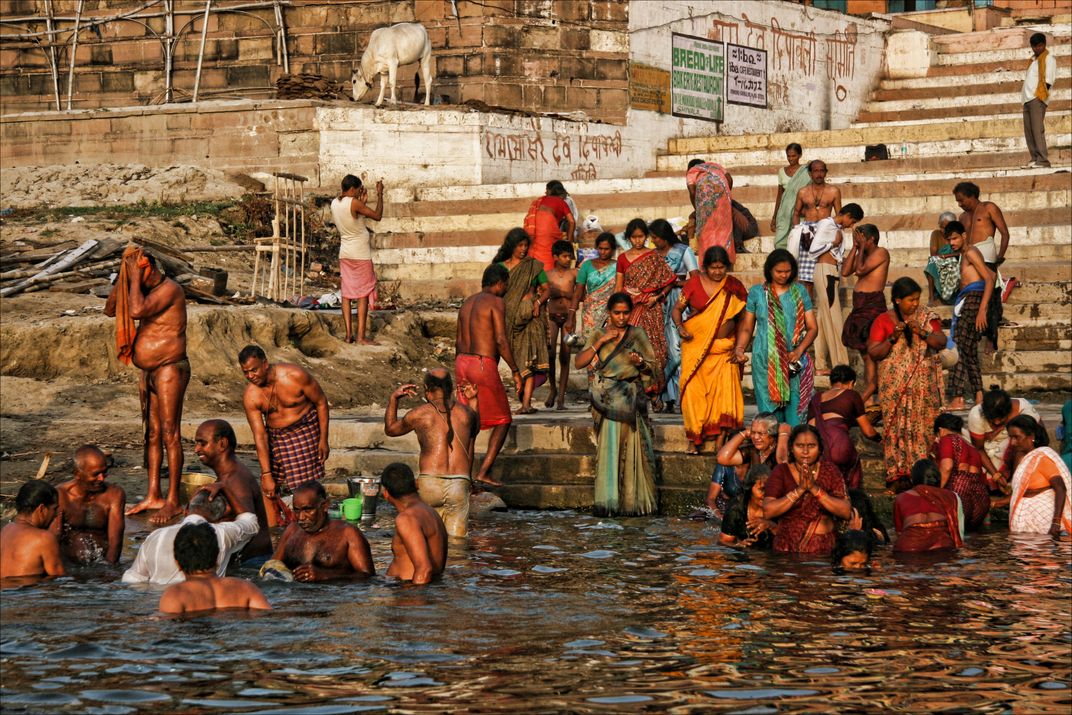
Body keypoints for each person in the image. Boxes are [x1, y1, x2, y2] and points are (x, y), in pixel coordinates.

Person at [104, 247, 188, 524]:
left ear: (150, 267)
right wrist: (124, 275)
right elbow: (110, 309)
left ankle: (173, 500)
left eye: (139, 269)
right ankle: (154, 494)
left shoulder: (170, 289)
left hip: (170, 369)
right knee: (152, 434)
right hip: (150, 371)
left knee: (169, 433)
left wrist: (135, 278)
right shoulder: (139, 287)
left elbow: (137, 310)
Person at [575, 292, 659, 516]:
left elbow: (653, 369)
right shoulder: (599, 333)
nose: (621, 317)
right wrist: (600, 342)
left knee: (634, 451)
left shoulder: (638, 334)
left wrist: (640, 363)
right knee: (609, 449)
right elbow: (579, 362)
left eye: (625, 313)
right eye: (617, 313)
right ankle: (609, 502)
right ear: (609, 313)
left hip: (631, 400)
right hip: (608, 400)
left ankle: (633, 504)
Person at [867, 278, 947, 492]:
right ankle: (896, 479)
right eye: (910, 300)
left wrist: (922, 332)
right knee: (895, 430)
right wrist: (893, 337)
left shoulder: (926, 317)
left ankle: (922, 476)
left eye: (917, 299)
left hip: (923, 389)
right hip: (895, 390)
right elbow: (874, 352)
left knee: (923, 429)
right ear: (897, 300)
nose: (914, 304)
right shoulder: (884, 320)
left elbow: (941, 342)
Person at [239, 345, 329, 525]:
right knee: (268, 488)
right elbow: (260, 435)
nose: (250, 376)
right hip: (276, 437)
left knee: (304, 489)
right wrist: (266, 473)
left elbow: (321, 403)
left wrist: (323, 440)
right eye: (246, 372)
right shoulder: (251, 396)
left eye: (254, 370)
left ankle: (313, 524)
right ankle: (274, 531)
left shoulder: (294, 376)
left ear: (265, 364)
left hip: (304, 429)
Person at [384, 369, 479, 537]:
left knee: (429, 537)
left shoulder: (419, 414)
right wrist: (473, 401)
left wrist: (394, 399)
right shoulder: (467, 413)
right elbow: (473, 434)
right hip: (459, 483)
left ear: (427, 390)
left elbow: (391, 430)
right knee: (457, 542)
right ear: (451, 389)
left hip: (430, 483)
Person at [671, 246, 747, 454]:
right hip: (695, 348)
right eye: (713, 268)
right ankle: (693, 438)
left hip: (724, 351)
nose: (717, 272)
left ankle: (721, 438)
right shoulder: (693, 284)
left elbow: (743, 321)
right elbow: (676, 309)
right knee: (693, 395)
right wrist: (680, 328)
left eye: (721, 267)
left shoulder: (734, 287)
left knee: (723, 397)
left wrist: (741, 348)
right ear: (704, 267)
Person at [734, 249, 818, 427]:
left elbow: (812, 328)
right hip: (765, 361)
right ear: (770, 271)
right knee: (769, 418)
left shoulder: (799, 291)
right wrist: (740, 349)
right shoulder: (757, 293)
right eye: (779, 272)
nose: (783, 275)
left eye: (787, 271)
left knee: (796, 417)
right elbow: (747, 327)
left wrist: (798, 350)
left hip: (793, 362)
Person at [456, 263, 521, 486]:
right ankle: (483, 472)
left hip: (461, 362)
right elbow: (501, 340)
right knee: (504, 420)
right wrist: (515, 370)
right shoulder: (496, 302)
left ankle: (465, 477)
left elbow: (457, 341)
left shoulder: (466, 303)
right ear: (500, 283)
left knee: (469, 423)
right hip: (482, 364)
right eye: (506, 285)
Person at [122, 488, 259, 585]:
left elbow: (132, 578)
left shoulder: (156, 535)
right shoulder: (222, 533)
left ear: (186, 510)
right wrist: (225, 487)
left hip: (160, 607)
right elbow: (251, 522)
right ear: (220, 519)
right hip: (205, 607)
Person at [192, 419, 273, 565]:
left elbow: (250, 528)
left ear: (222, 444)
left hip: (252, 564)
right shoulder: (227, 476)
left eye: (202, 443)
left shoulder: (236, 480)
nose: (196, 449)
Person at [613, 218, 677, 402]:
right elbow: (618, 287)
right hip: (629, 310)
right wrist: (616, 310)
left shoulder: (654, 256)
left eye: (641, 237)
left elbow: (669, 281)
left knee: (656, 351)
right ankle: (635, 392)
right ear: (628, 238)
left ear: (646, 237)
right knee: (632, 350)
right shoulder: (622, 258)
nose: (638, 241)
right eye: (634, 237)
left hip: (651, 308)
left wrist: (657, 297)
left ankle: (655, 393)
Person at [763, 425, 851, 554]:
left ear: (820, 448)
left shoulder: (830, 470)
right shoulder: (781, 471)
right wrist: (799, 490)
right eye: (799, 446)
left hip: (823, 552)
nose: (805, 451)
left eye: (811, 446)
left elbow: (845, 511)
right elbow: (768, 511)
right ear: (791, 448)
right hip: (787, 550)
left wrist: (815, 489)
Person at [494, 228, 550, 414]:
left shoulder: (533, 266)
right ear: (512, 246)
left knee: (530, 363)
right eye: (520, 245)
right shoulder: (500, 268)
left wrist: (538, 302)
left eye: (526, 245)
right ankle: (522, 396)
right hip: (509, 320)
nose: (524, 249)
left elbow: (547, 289)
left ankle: (526, 403)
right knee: (516, 361)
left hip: (531, 320)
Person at [159, 522, 271, 615]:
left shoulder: (175, 595)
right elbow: (269, 618)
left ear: (178, 563)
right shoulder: (246, 588)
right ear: (217, 558)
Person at [272, 481, 375, 582]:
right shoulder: (291, 530)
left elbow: (368, 576)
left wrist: (326, 575)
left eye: (308, 510)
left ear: (325, 506)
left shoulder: (348, 533)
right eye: (297, 511)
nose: (301, 517)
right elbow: (272, 567)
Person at [804, 203, 863, 375]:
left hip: (830, 273)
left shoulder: (836, 228)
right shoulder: (827, 224)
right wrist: (833, 243)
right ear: (847, 215)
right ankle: (841, 365)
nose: (851, 225)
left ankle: (821, 365)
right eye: (852, 221)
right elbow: (813, 250)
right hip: (825, 272)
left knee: (822, 320)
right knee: (834, 318)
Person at [944, 220, 995, 410]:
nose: (952, 242)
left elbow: (989, 279)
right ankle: (979, 395)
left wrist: (983, 309)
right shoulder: (965, 254)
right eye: (949, 239)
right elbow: (989, 273)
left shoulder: (972, 252)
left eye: (955, 238)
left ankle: (958, 397)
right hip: (969, 299)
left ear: (964, 236)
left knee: (957, 347)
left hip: (974, 301)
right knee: (969, 351)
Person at [651, 218, 699, 411]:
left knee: (677, 349)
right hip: (656, 304)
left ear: (664, 236)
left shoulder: (683, 250)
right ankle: (667, 396)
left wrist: (674, 284)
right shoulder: (652, 255)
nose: (653, 241)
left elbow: (695, 278)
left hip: (678, 301)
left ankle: (681, 395)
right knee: (662, 350)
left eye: (655, 237)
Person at [808, 364, 881, 490]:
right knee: (850, 483)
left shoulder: (815, 399)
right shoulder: (851, 395)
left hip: (817, 450)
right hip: (839, 445)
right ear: (851, 383)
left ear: (831, 382)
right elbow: (868, 432)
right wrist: (880, 439)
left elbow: (811, 427)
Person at [329, 174, 383, 344]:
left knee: (346, 293)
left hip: (345, 253)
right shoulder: (354, 203)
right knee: (363, 294)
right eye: (359, 190)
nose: (360, 193)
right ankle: (360, 337)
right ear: (352, 189)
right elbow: (377, 216)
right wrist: (380, 194)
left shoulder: (335, 203)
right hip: (360, 255)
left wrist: (362, 203)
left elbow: (353, 219)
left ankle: (348, 336)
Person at [841, 224, 890, 406]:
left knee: (871, 351)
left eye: (861, 239)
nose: (859, 242)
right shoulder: (862, 252)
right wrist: (855, 247)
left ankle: (871, 391)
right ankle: (872, 391)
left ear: (871, 239)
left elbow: (860, 271)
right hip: (859, 307)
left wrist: (860, 248)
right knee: (864, 352)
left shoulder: (881, 252)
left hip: (872, 306)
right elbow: (846, 271)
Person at [954, 181, 1007, 347]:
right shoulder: (962, 217)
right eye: (957, 201)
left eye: (962, 200)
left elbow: (1005, 233)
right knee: (971, 301)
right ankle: (973, 337)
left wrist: (1000, 257)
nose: (960, 204)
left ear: (972, 196)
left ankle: (991, 341)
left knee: (991, 300)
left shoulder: (988, 208)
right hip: (969, 263)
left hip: (988, 260)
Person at [53, 445, 126, 564]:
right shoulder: (61, 496)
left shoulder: (114, 494)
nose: (102, 478)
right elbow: (54, 538)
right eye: (96, 474)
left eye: (104, 472)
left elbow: (115, 542)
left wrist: (109, 571)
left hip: (101, 562)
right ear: (77, 474)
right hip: (69, 564)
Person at [710, 413, 790, 515]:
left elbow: (782, 461)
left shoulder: (780, 450)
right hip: (754, 506)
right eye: (753, 432)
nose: (756, 437)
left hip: (776, 506)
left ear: (772, 435)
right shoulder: (753, 450)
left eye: (761, 433)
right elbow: (722, 458)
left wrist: (783, 435)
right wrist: (744, 433)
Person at [381, 463, 448, 584]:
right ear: (416, 484)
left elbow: (424, 569)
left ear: (386, 493)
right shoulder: (431, 512)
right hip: (421, 588)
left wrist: (415, 600)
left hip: (409, 592)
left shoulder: (406, 518)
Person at [1006, 415, 1071, 537]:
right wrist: (994, 503)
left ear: (1031, 436)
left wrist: (1056, 523)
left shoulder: (1042, 458)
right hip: (1027, 526)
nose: (1013, 442)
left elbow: (1061, 488)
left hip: (1043, 523)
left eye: (1016, 437)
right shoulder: (1023, 458)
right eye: (1011, 438)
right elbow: (1020, 492)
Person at [569, 232, 617, 387]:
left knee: (611, 349)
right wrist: (571, 314)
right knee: (591, 349)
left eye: (607, 249)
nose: (603, 252)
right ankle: (594, 392)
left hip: (612, 314)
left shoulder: (617, 266)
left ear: (613, 249)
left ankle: (609, 390)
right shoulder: (587, 266)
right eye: (601, 249)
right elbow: (578, 291)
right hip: (590, 315)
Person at [968, 386, 1043, 480]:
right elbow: (978, 449)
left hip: (1018, 451)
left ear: (1009, 410)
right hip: (989, 450)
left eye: (1001, 418)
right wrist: (996, 476)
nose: (997, 423)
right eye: (992, 419)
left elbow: (1041, 440)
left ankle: (1017, 480)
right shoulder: (976, 414)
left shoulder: (1025, 411)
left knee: (1022, 447)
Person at [932, 413, 990, 532]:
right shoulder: (971, 446)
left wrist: (934, 494)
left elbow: (947, 467)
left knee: (952, 539)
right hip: (981, 499)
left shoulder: (947, 439)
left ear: (941, 430)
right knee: (969, 540)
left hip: (958, 493)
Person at [893, 459, 964, 553]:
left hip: (909, 546)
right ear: (938, 478)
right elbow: (960, 533)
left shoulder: (900, 498)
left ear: (914, 478)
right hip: (941, 544)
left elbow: (899, 532)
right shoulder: (952, 496)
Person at [0, 481, 64, 581]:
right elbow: (61, 581)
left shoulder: (5, 530)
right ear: (42, 509)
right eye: (54, 509)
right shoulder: (44, 538)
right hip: (28, 594)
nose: (55, 514)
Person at [544, 240, 578, 410]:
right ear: (555, 257)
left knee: (565, 356)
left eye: (569, 256)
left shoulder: (574, 274)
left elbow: (580, 295)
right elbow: (543, 294)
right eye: (564, 256)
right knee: (550, 353)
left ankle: (561, 398)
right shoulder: (548, 274)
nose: (568, 259)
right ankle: (553, 389)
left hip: (569, 317)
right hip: (551, 315)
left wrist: (562, 293)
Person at [685, 158, 734, 261]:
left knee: (706, 232)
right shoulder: (714, 166)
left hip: (704, 203)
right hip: (723, 200)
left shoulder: (692, 171)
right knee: (724, 230)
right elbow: (729, 179)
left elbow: (692, 192)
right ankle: (725, 261)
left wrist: (698, 209)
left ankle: (708, 262)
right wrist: (724, 196)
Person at [523, 180, 576, 271]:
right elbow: (572, 221)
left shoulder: (540, 200)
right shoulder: (562, 202)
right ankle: (546, 276)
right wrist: (570, 241)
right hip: (548, 228)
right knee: (548, 253)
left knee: (535, 250)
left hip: (535, 228)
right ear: (562, 195)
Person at [1022, 32, 1056, 169]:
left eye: (1040, 46)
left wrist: (1040, 98)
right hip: (1027, 99)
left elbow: (1049, 80)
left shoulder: (1049, 59)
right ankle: (1035, 158)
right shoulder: (1033, 60)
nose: (1037, 49)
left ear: (1044, 45)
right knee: (1029, 131)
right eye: (1034, 46)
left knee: (1037, 130)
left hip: (1037, 99)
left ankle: (1043, 160)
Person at [720, 465, 776, 548]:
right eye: (762, 489)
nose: (766, 494)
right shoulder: (736, 509)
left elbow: (791, 538)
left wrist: (772, 526)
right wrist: (738, 545)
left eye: (770, 489)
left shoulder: (779, 506)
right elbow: (723, 541)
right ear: (749, 489)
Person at [771, 143, 810, 250]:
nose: (791, 159)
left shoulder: (806, 172)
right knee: (779, 243)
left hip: (800, 213)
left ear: (800, 155)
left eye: (794, 156)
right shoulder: (781, 172)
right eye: (789, 156)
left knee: (797, 245)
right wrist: (774, 216)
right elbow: (780, 195)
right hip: (784, 213)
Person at [791, 160, 842, 227]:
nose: (819, 174)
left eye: (822, 170)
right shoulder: (802, 192)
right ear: (810, 174)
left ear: (826, 172)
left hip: (826, 228)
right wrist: (796, 231)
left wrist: (837, 231)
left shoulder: (834, 191)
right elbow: (796, 214)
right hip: (808, 229)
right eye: (815, 171)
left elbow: (839, 215)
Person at [924, 211, 960, 306]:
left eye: (946, 227)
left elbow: (961, 253)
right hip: (939, 261)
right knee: (931, 263)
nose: (943, 230)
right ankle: (931, 297)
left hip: (954, 261)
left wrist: (946, 256)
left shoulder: (957, 235)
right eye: (941, 227)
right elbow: (933, 253)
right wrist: (943, 258)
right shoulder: (936, 234)